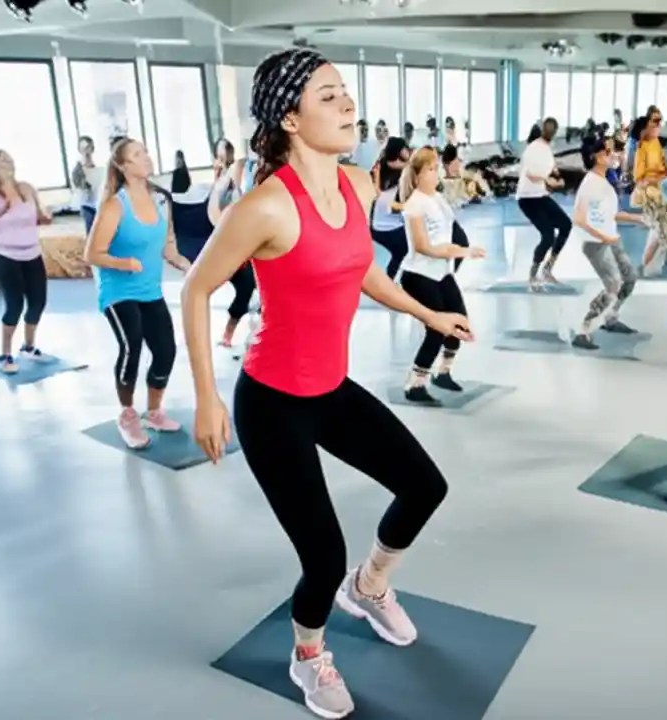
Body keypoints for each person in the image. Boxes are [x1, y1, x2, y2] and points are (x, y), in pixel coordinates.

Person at [180, 48, 472, 720]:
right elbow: (196, 289)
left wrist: (429, 312)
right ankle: (307, 654)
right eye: (329, 96)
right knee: (321, 555)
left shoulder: (359, 187)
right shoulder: (263, 208)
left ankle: (370, 588)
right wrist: (206, 396)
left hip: (331, 389)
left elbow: (360, 268)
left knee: (425, 485)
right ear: (289, 117)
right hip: (273, 403)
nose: (348, 105)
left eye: (347, 93)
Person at [84, 138, 192, 449]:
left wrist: (185, 264)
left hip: (149, 289)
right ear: (123, 166)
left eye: (145, 151)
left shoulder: (161, 199)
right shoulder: (115, 205)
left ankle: (154, 412)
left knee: (165, 350)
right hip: (117, 291)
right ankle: (128, 415)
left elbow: (167, 244)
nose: (146, 157)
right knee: (131, 345)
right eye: (137, 154)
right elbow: (92, 254)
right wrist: (123, 263)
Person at [397, 147, 485, 403]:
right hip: (419, 275)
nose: (436, 174)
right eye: (431, 170)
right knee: (436, 329)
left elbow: (448, 231)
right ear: (418, 175)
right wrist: (460, 251)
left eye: (437, 169)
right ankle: (415, 384)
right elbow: (424, 246)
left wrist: (459, 250)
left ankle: (443, 373)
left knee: (459, 322)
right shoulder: (413, 205)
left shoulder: (436, 197)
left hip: (441, 273)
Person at [0, 149, 53, 375]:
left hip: (31, 252)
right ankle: (5, 353)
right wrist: (0, 212)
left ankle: (28, 347)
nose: (9, 163)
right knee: (14, 304)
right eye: (3, 161)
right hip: (3, 253)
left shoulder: (25, 188)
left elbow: (39, 214)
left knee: (38, 302)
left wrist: (45, 218)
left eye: (10, 159)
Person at [571, 136, 646, 350]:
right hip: (596, 243)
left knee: (629, 278)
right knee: (613, 284)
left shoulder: (604, 182)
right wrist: (602, 237)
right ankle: (583, 330)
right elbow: (579, 219)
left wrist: (637, 218)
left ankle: (611, 318)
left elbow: (611, 214)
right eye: (607, 152)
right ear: (596, 157)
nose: (612, 155)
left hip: (612, 239)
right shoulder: (589, 183)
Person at [207, 145, 260, 348]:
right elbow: (214, 212)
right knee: (245, 289)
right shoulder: (228, 179)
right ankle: (228, 334)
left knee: (257, 291)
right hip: (234, 248)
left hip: (255, 246)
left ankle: (256, 334)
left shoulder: (260, 178)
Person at [515, 118, 571, 291]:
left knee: (565, 225)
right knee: (548, 236)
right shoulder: (532, 149)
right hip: (527, 198)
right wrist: (549, 181)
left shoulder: (547, 150)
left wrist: (557, 179)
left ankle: (547, 269)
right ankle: (532, 275)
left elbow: (551, 169)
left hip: (540, 195)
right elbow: (532, 174)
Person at [633, 107, 667, 277]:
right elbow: (639, 178)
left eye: (660, 120)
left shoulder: (657, 143)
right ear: (648, 123)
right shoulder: (642, 147)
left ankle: (655, 261)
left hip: (657, 190)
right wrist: (655, 177)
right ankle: (645, 265)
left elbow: (663, 169)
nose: (659, 124)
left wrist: (664, 170)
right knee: (660, 228)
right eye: (655, 121)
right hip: (647, 192)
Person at [370, 138, 411, 279]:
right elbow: (391, 205)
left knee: (403, 251)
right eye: (401, 160)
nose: (405, 164)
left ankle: (391, 281)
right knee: (407, 248)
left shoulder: (391, 171)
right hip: (385, 225)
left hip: (386, 223)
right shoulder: (382, 172)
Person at [71, 136, 102, 233]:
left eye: (88, 148)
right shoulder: (78, 170)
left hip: (100, 204)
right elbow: (80, 187)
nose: (86, 152)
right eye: (83, 149)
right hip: (87, 205)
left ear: (92, 148)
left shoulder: (99, 168)